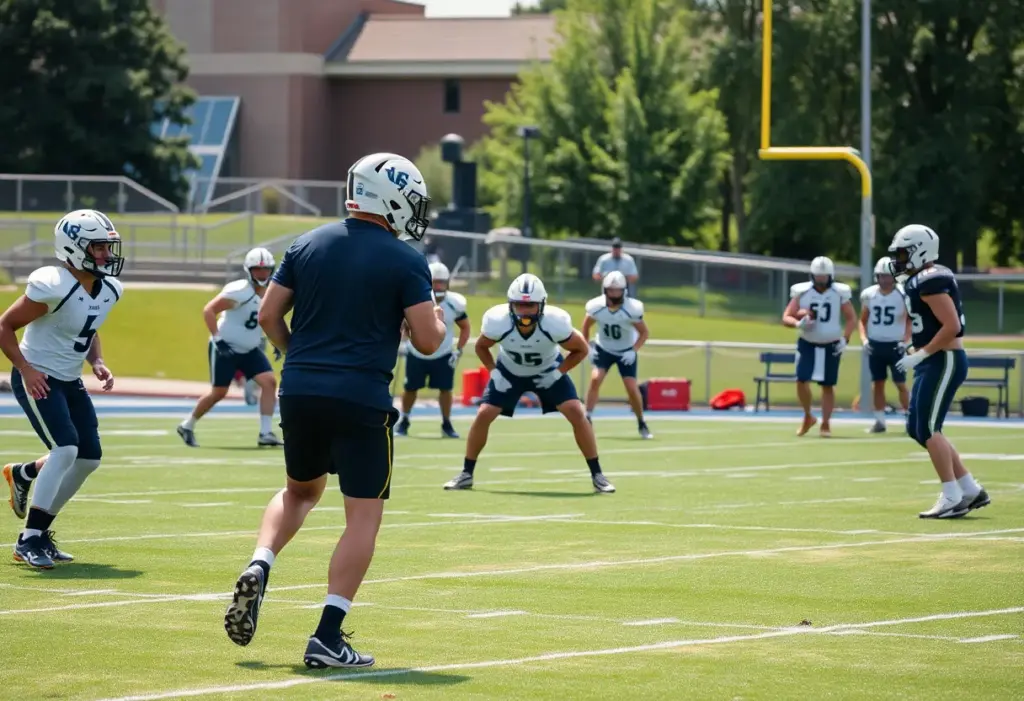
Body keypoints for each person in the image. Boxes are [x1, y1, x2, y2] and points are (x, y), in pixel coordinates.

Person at [223, 153, 446, 669]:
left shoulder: (305, 243)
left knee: (300, 490)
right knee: (363, 513)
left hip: (300, 388)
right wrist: (427, 315)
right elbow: (431, 342)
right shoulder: (406, 259)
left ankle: (261, 561)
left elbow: (268, 315)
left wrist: (296, 356)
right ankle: (327, 635)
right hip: (361, 395)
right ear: (387, 196)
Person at [0, 209, 124, 568]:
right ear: (73, 247)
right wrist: (25, 369)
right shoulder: (52, 284)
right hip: (38, 377)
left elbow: (88, 326)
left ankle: (25, 480)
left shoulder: (109, 288)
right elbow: (5, 326)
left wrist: (97, 361)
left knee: (88, 458)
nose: (105, 254)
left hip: (69, 379)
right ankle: (30, 538)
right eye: (97, 247)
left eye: (106, 247)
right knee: (66, 449)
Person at [442, 273, 615, 494]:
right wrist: (494, 373)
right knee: (484, 413)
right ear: (510, 305)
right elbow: (481, 347)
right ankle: (466, 473)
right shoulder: (498, 320)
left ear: (541, 305)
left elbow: (581, 349)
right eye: (519, 305)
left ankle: (597, 474)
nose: (524, 312)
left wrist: (557, 373)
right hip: (510, 370)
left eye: (530, 305)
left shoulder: (555, 322)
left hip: (547, 369)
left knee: (576, 411)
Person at [888, 224, 989, 519]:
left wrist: (922, 353)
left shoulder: (931, 279)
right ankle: (968, 489)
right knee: (918, 428)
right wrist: (916, 348)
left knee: (929, 428)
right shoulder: (919, 279)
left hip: (944, 359)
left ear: (920, 251)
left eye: (905, 253)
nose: (900, 260)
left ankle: (951, 495)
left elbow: (952, 326)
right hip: (933, 359)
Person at [177, 247, 283, 448]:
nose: (262, 274)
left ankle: (266, 432)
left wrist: (275, 341)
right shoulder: (239, 291)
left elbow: (268, 320)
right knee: (219, 392)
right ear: (248, 270)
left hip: (250, 349)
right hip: (227, 347)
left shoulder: (272, 293)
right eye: (257, 270)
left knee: (269, 382)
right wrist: (218, 340)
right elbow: (209, 310)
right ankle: (187, 425)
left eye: (265, 270)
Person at [781, 256, 856, 437]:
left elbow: (851, 317)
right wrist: (799, 324)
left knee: (828, 385)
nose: (821, 280)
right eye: (818, 276)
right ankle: (808, 416)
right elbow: (787, 316)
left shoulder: (839, 293)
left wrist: (845, 339)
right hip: (808, 342)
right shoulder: (802, 292)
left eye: (824, 276)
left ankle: (826, 423)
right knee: (801, 379)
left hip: (831, 343)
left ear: (830, 276)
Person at [396, 261, 470, 439]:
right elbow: (403, 324)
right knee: (410, 388)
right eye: (434, 281)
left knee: (445, 389)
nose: (438, 286)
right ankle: (404, 421)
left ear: (447, 283)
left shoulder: (454, 303)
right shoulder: (416, 299)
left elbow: (465, 327)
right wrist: (402, 343)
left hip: (443, 353)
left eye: (441, 282)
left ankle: (446, 423)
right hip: (417, 351)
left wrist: (458, 350)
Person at [581, 271, 652, 438]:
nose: (614, 294)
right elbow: (585, 327)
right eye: (611, 290)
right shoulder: (596, 307)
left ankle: (641, 421)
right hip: (603, 348)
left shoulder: (631, 309)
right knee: (595, 379)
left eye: (618, 290)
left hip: (625, 350)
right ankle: (587, 417)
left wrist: (633, 351)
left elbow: (644, 333)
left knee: (631, 388)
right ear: (605, 290)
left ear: (624, 290)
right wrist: (588, 348)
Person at [858, 256, 912, 433]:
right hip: (875, 345)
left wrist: (906, 341)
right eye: (881, 276)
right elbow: (862, 320)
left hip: (896, 345)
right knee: (878, 383)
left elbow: (911, 320)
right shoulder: (869, 294)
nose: (885, 280)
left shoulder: (903, 295)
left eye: (888, 276)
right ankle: (880, 421)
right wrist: (864, 339)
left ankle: (910, 419)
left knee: (900, 383)